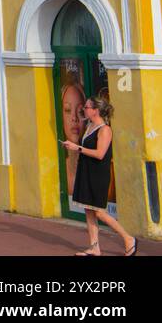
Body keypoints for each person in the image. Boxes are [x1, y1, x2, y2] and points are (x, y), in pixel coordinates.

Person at [61, 97, 137, 256]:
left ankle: (128, 238)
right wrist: (74, 147)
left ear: (95, 110)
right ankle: (94, 247)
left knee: (99, 212)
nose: (84, 110)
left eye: (86, 107)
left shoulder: (105, 130)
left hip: (97, 175)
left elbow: (100, 154)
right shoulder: (89, 126)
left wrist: (77, 148)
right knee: (89, 210)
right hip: (87, 171)